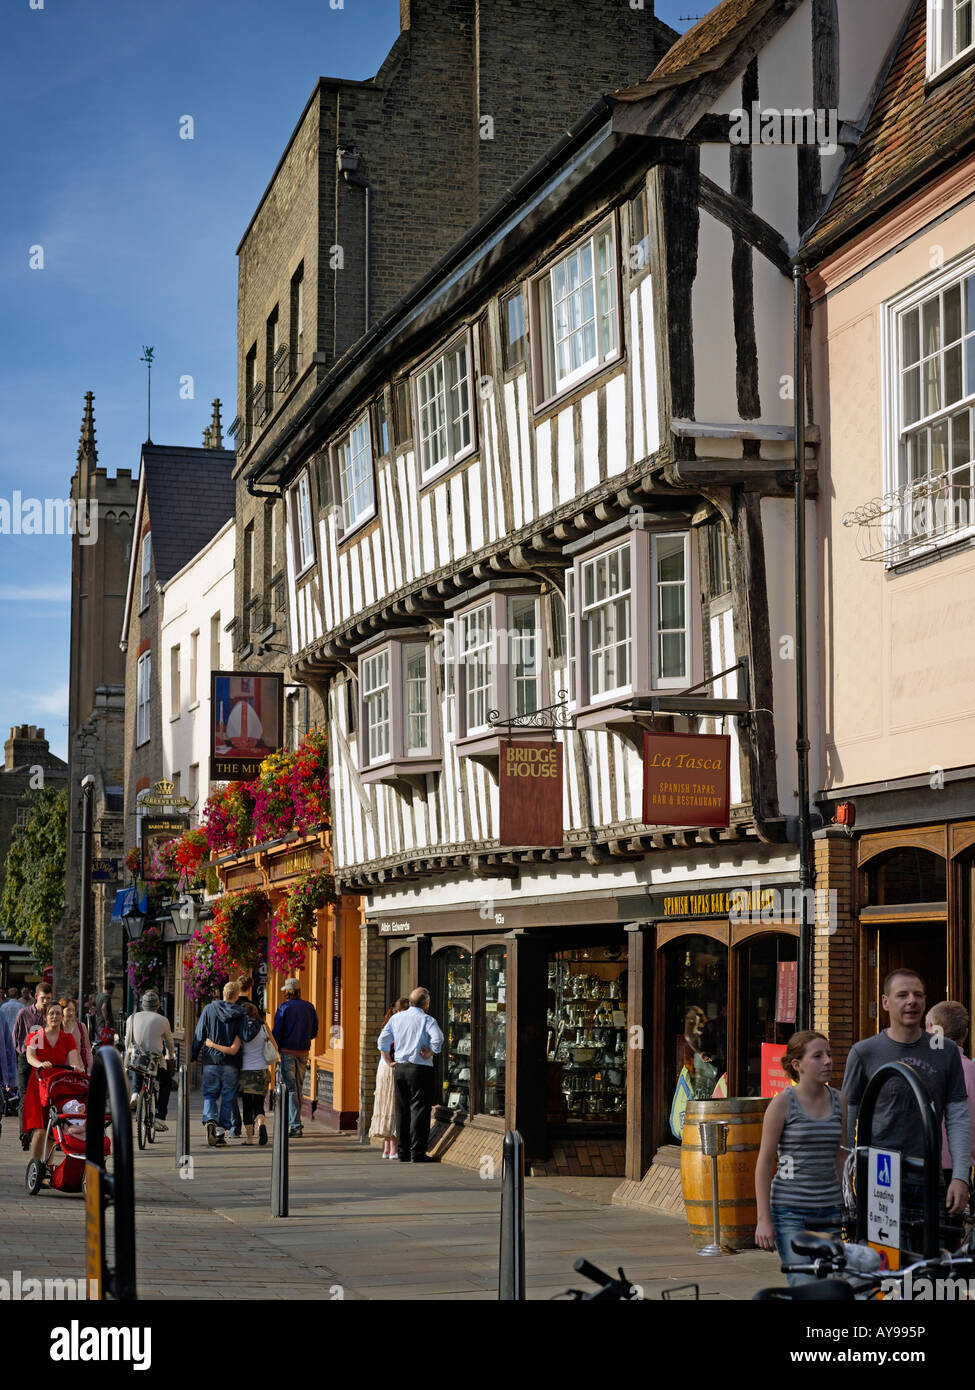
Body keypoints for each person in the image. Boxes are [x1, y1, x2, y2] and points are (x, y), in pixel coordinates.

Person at [843, 969, 971, 1254]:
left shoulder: (945, 1051)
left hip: (928, 1174)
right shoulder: (864, 1052)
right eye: (903, 995)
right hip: (880, 1175)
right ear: (886, 1002)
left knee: (929, 1264)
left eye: (918, 995)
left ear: (925, 1002)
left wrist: (961, 1176)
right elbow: (847, 1121)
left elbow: (959, 1117)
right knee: (885, 1264)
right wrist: (846, 1179)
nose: (911, 1001)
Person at [755, 1031, 848, 1284]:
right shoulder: (783, 1103)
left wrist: (846, 1204)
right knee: (805, 1285)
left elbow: (841, 1156)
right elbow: (764, 1163)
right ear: (797, 1065)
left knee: (832, 1285)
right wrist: (763, 1219)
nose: (827, 1061)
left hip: (829, 1212)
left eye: (828, 1054)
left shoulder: (839, 1100)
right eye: (817, 1056)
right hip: (790, 1212)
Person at [378, 986, 443, 1163]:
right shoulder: (427, 1020)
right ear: (426, 1004)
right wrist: (431, 1052)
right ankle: (417, 1152)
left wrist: (388, 1060)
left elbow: (382, 1040)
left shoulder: (396, 1018)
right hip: (419, 1068)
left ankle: (403, 1152)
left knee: (402, 1110)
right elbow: (438, 1039)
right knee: (419, 1110)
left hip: (400, 1068)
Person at [191, 981, 259, 1146]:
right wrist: (257, 1022)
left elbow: (199, 1034)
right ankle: (220, 1131)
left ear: (223, 993)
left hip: (211, 1060)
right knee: (228, 1096)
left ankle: (210, 1119)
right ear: (236, 996)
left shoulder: (209, 1009)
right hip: (231, 1062)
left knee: (210, 1094)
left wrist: (194, 1056)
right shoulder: (241, 1013)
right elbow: (246, 1035)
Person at [22, 1001, 83, 1161]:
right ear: (44, 1016)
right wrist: (40, 1064)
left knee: (52, 1132)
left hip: (57, 1088)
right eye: (51, 1013)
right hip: (39, 1086)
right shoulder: (37, 1035)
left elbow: (73, 1060)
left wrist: (76, 1067)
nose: (55, 1016)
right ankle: (35, 1167)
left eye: (58, 1013)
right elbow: (30, 1056)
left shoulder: (67, 1038)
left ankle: (47, 1169)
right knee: (40, 1130)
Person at [926, 1000, 975, 1194]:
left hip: (924, 1163)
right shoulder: (971, 1071)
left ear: (932, 1030)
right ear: (965, 1033)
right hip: (961, 1169)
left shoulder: (922, 1069)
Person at [206, 1000, 271, 1145]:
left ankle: (249, 1139)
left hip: (246, 1073)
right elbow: (274, 1045)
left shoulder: (241, 1030)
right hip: (262, 1070)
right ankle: (261, 1124)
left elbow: (233, 1050)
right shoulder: (263, 1027)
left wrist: (212, 1044)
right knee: (259, 1104)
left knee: (248, 1106)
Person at [272, 978, 319, 1138]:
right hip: (303, 1051)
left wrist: (276, 1047)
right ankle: (295, 1121)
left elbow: (277, 1031)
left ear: (288, 991)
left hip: (287, 1051)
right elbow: (314, 1030)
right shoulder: (309, 1007)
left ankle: (295, 1125)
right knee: (298, 1086)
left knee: (291, 1088)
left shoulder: (284, 1007)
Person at [125, 991, 176, 1131]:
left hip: (137, 1060)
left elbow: (127, 1040)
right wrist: (170, 1056)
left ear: (143, 1005)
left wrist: (129, 1052)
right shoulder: (162, 1020)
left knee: (138, 1063)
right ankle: (160, 1117)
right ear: (157, 1005)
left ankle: (135, 1093)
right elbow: (169, 1043)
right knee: (166, 1082)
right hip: (155, 1062)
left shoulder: (132, 1017)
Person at [12, 983, 52, 1149]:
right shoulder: (24, 1013)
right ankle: (25, 1133)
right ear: (36, 997)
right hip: (26, 1059)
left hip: (45, 1060)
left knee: (45, 1095)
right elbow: (17, 1035)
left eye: (48, 999)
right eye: (43, 998)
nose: (45, 1001)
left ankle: (45, 1131)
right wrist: (24, 1051)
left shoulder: (50, 1015)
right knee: (25, 1094)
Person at [369, 998, 409, 1158]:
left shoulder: (389, 1023)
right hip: (391, 1068)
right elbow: (383, 1045)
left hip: (383, 1068)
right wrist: (390, 1061)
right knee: (393, 1104)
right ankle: (393, 1147)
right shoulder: (397, 1023)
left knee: (385, 1104)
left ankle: (387, 1147)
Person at [59, 997, 93, 1074]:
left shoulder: (81, 1027)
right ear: (62, 1010)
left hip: (79, 1070)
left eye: (73, 1010)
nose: (71, 1013)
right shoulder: (57, 1027)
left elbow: (88, 1050)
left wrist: (90, 1070)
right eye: (68, 1010)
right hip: (61, 1071)